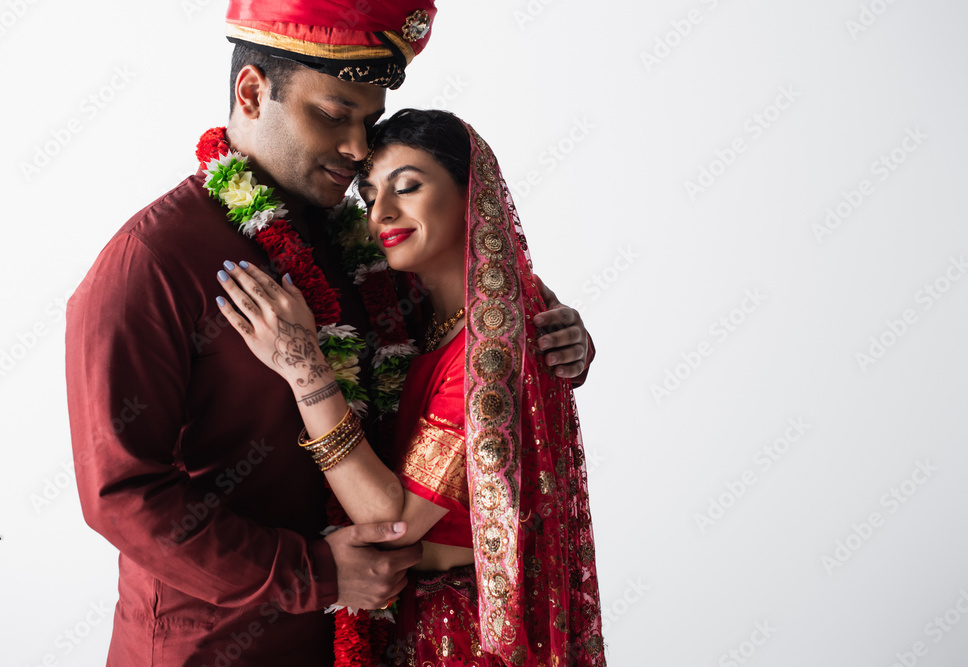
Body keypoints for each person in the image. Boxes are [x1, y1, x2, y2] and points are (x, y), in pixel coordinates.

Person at [65, 2, 596, 665]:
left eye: (367, 122)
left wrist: (553, 330)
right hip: (212, 646)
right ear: (253, 92)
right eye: (333, 114)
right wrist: (316, 573)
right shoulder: (153, 260)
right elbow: (122, 497)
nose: (355, 148)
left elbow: (459, 333)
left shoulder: (359, 241)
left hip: (365, 641)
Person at [214, 109, 605, 666]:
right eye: (370, 196)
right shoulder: (432, 313)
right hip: (416, 617)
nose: (382, 215)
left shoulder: (488, 344)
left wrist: (307, 371)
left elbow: (393, 524)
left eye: (408, 187)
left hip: (459, 636)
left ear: (476, 195)